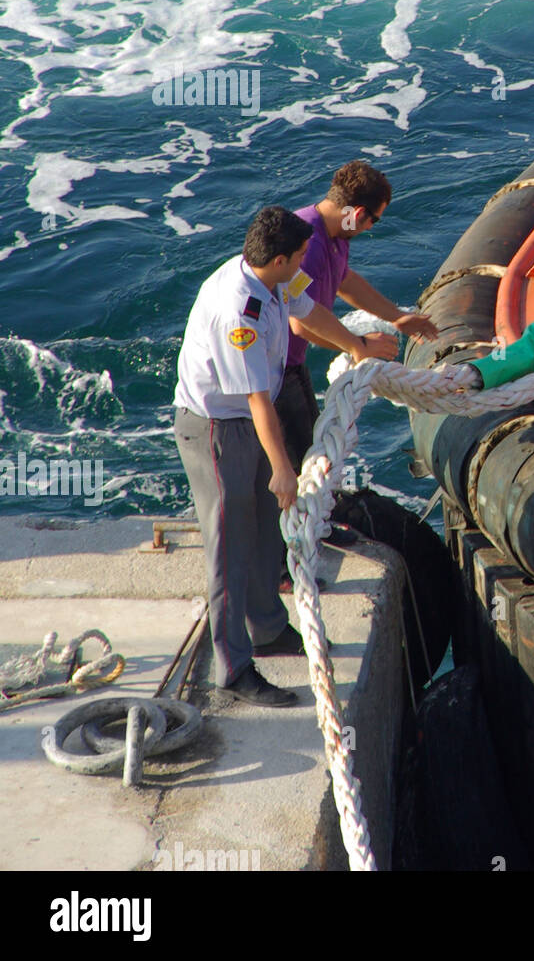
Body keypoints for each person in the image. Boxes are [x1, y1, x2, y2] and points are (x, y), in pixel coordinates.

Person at [173, 206, 397, 706]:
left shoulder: (277, 278)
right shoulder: (241, 313)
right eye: (299, 257)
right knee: (229, 546)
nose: (305, 264)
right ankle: (232, 669)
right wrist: (281, 468)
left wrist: (358, 345)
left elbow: (310, 313)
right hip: (218, 428)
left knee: (260, 529)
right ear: (278, 258)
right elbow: (255, 400)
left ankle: (268, 628)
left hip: (249, 416)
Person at [276, 161, 437, 476]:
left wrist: (398, 318)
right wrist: (359, 345)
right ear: (357, 212)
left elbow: (344, 280)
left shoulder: (334, 236)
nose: (370, 228)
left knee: (313, 454)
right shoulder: (308, 246)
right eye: (372, 220)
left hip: (291, 365)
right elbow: (300, 324)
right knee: (305, 468)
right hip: (276, 372)